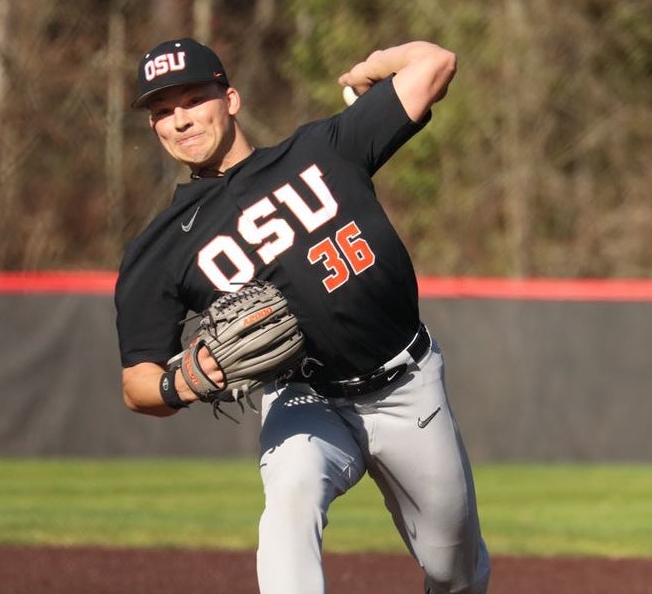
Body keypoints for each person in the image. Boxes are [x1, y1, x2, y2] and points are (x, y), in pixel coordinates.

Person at [114, 37, 491, 594]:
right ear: (153, 128)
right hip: (305, 398)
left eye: (193, 100)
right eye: (163, 112)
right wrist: (180, 383)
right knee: (289, 501)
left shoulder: (323, 148)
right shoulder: (159, 250)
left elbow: (437, 62)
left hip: (408, 385)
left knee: (454, 573)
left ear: (231, 99)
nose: (180, 121)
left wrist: (366, 70)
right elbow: (135, 384)